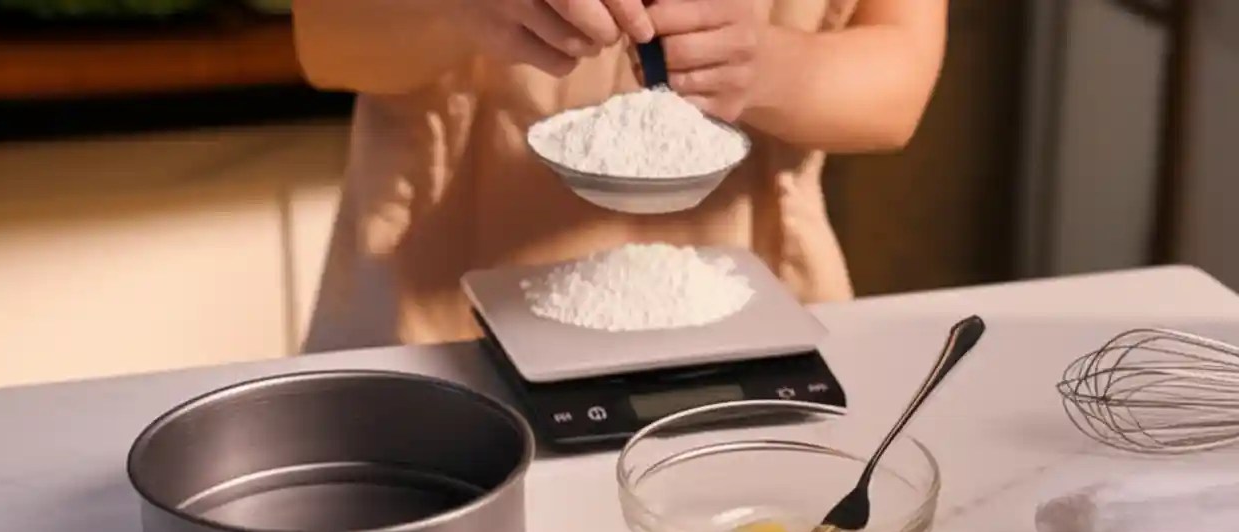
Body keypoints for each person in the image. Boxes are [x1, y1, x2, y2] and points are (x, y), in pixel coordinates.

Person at [293, 0, 948, 350]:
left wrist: (771, 68)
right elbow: (323, 39)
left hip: (751, 318)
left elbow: (899, 86)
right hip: (435, 331)